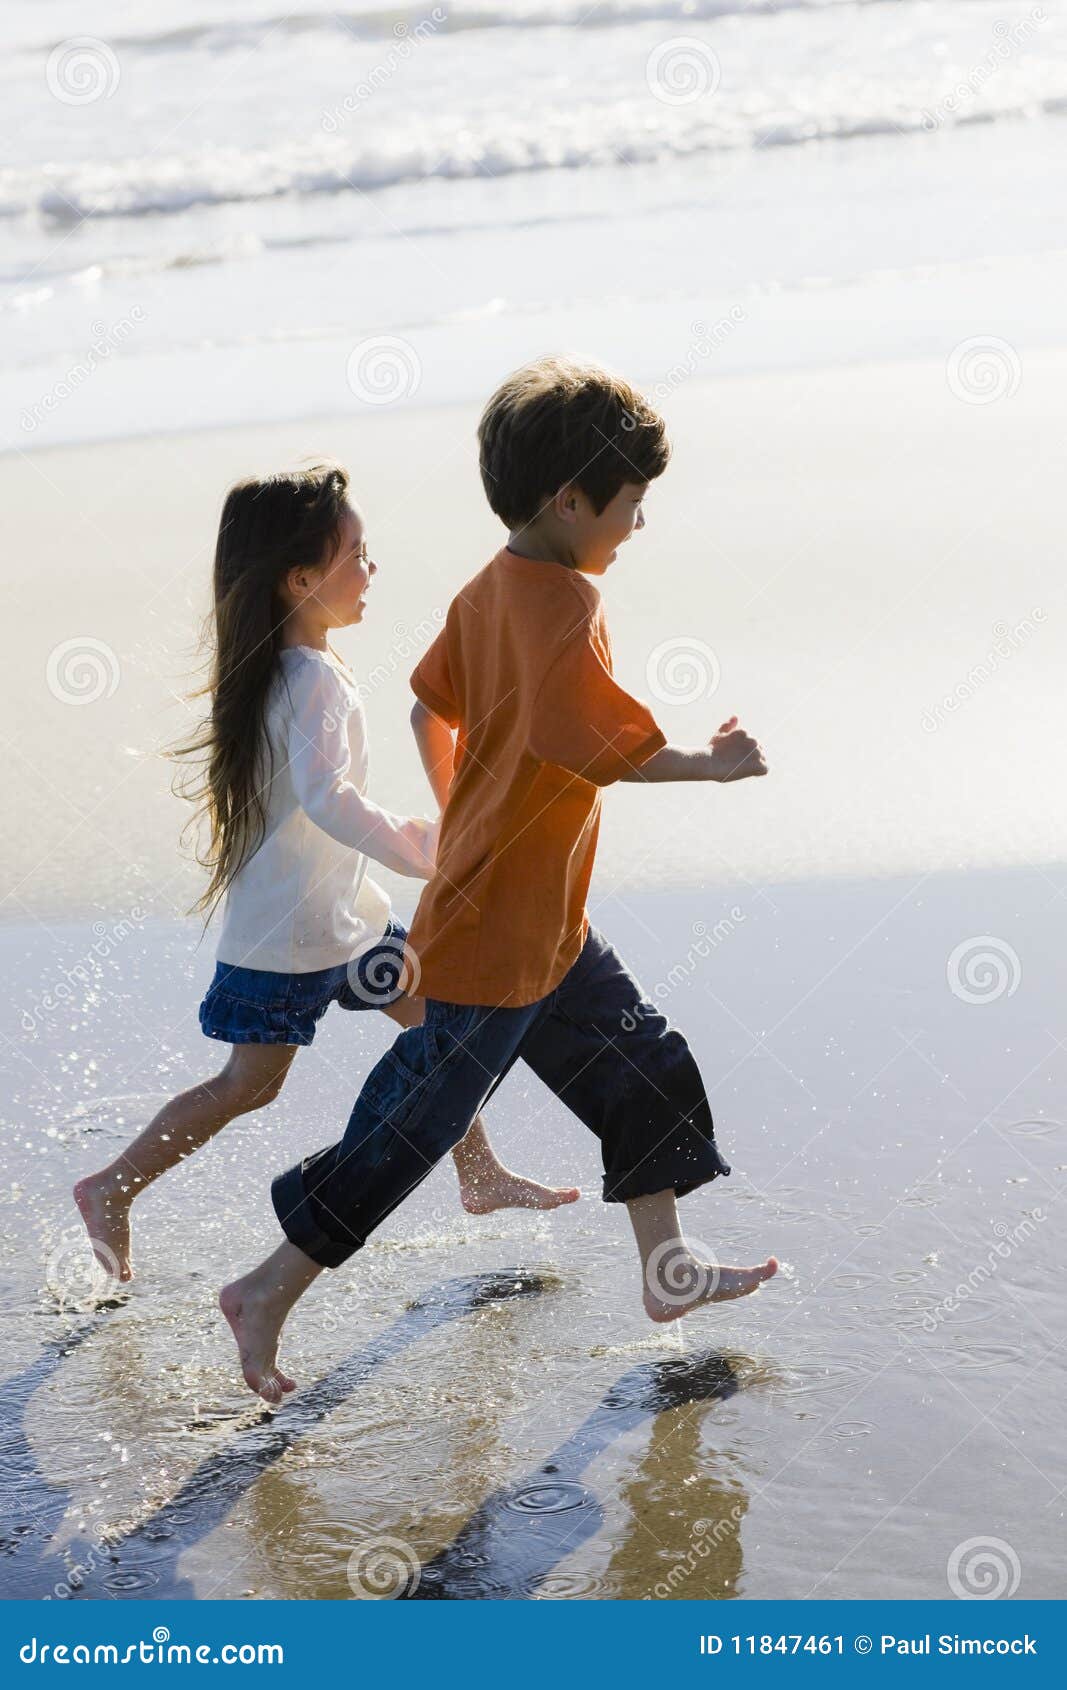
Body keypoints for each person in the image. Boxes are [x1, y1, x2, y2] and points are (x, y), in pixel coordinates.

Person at [220, 362, 777, 1404]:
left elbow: (430, 707)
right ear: (571, 500)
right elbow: (589, 744)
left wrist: (462, 809)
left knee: (642, 1061)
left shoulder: (485, 587)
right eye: (631, 504)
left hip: (540, 919)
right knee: (412, 1124)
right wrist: (708, 763)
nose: (637, 524)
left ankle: (665, 1270)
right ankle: (265, 1289)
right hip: (493, 934)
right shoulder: (566, 602)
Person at [74, 464, 578, 1282]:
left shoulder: (286, 665)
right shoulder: (307, 677)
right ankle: (113, 1187)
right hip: (293, 938)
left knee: (441, 1029)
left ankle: (476, 1172)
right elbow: (329, 799)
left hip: (341, 921)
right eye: (357, 555)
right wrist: (429, 849)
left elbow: (318, 798)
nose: (371, 569)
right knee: (250, 1084)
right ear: (302, 578)